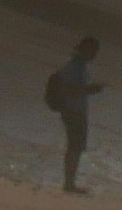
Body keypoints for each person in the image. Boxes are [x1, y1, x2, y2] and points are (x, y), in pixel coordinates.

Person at [43, 34, 106, 192]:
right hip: (72, 110)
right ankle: (69, 183)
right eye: (92, 51)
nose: (93, 55)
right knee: (75, 147)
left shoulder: (79, 66)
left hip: (74, 110)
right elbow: (69, 89)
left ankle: (70, 182)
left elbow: (71, 88)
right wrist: (89, 90)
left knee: (75, 147)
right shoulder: (74, 66)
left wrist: (88, 90)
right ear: (84, 49)